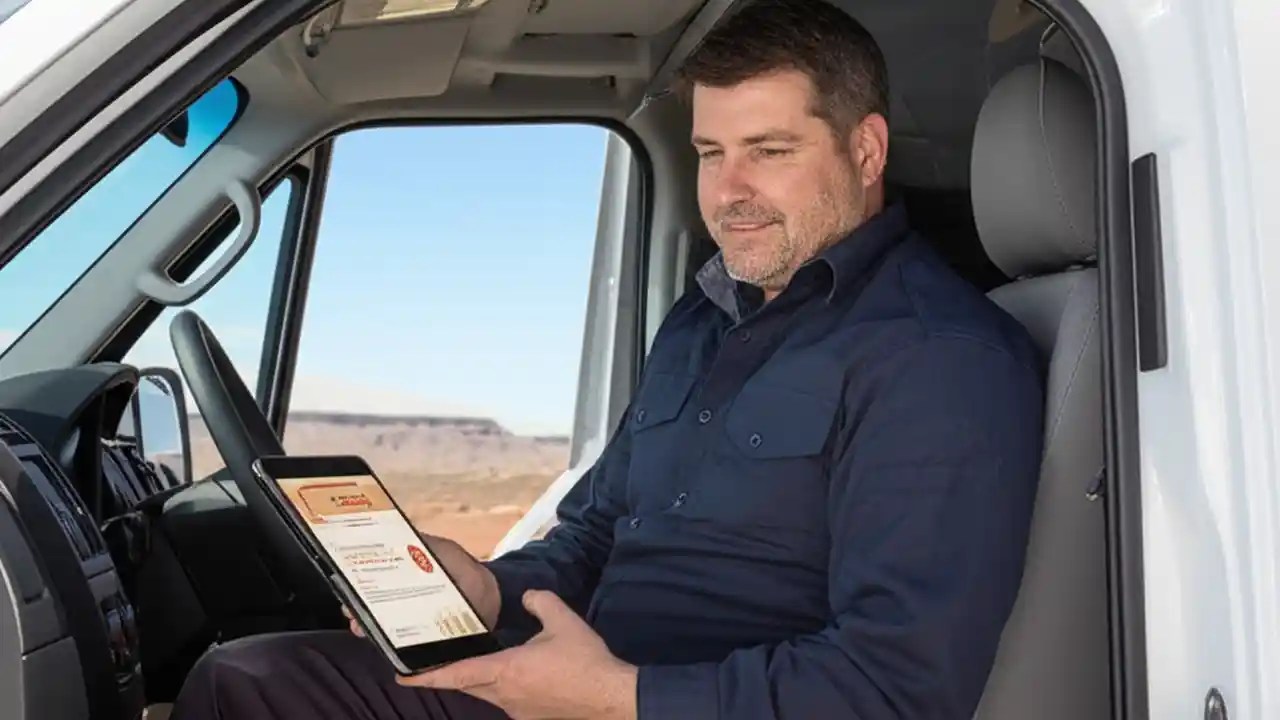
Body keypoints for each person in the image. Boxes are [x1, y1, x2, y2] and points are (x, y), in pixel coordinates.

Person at [170, 0, 1045, 718]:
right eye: (711, 154)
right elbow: (594, 534)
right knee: (255, 680)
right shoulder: (703, 319)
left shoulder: (941, 359)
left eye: (770, 152)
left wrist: (621, 698)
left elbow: (895, 688)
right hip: (580, 684)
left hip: (655, 704)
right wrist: (487, 592)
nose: (729, 191)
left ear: (865, 150)